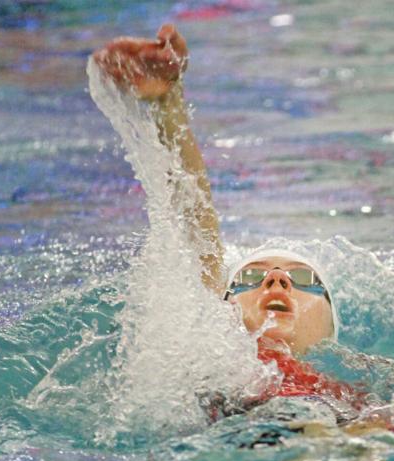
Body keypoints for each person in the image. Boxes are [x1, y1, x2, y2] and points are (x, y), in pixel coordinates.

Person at [91, 24, 370, 417]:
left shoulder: (362, 395)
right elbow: (193, 229)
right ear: (221, 312)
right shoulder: (216, 362)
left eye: (304, 279)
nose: (277, 280)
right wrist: (167, 101)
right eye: (251, 278)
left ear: (330, 327)